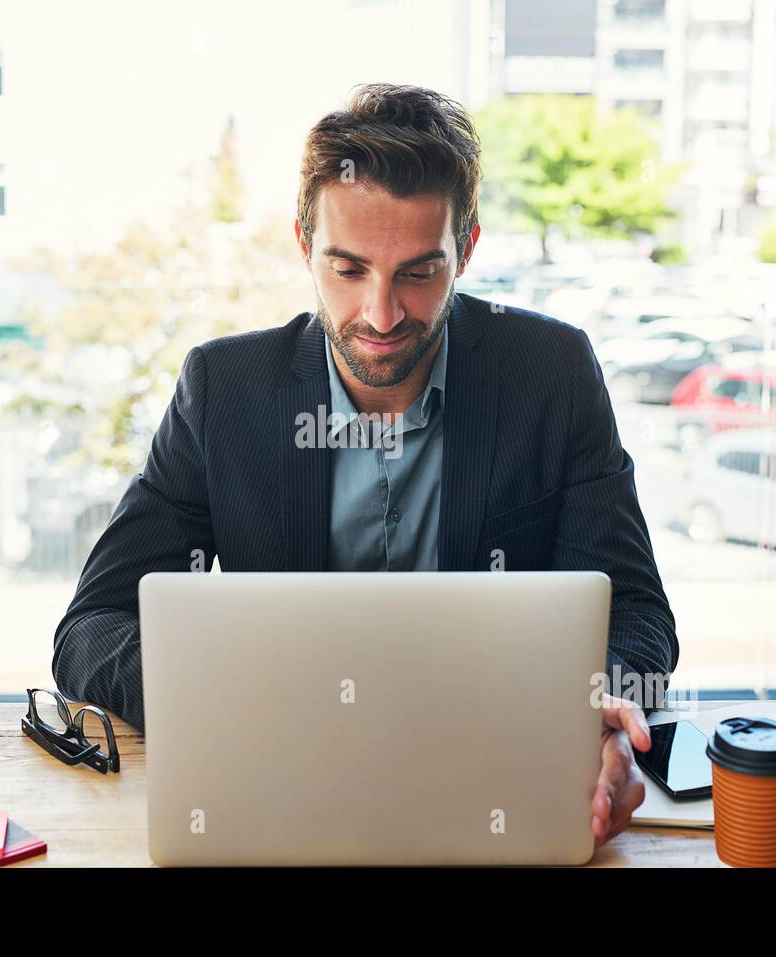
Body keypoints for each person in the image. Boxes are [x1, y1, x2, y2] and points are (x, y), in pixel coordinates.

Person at [53, 83, 678, 847]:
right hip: (280, 789)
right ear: (303, 245)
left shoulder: (551, 374)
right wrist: (226, 697)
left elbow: (639, 617)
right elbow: (88, 628)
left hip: (495, 788)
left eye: (420, 272)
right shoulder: (224, 391)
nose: (381, 316)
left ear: (467, 249)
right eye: (348, 270)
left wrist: (597, 712)